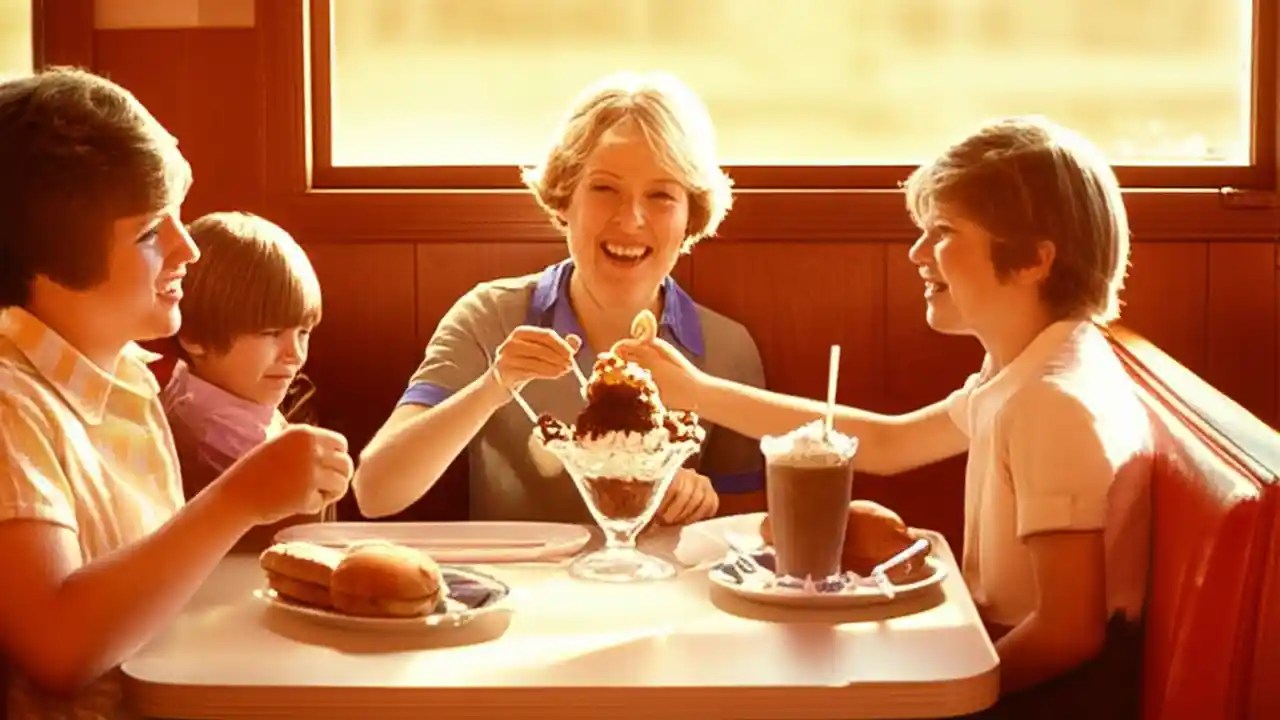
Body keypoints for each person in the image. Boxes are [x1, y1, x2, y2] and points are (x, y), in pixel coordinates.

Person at [616, 116, 1151, 716]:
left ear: (1032, 260)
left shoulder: (1052, 402)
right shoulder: (1028, 366)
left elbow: (1068, 632)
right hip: (998, 652)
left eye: (943, 232)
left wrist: (933, 698)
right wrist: (697, 391)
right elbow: (890, 444)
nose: (918, 253)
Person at [0, 68, 351, 718]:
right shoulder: (10, 404)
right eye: (148, 232)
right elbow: (58, 648)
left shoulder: (128, 375)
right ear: (51, 257)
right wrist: (240, 498)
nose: (187, 248)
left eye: (177, 219)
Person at [354, 71, 766, 524]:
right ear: (564, 197)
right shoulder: (489, 318)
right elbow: (375, 491)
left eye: (661, 195)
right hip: (516, 589)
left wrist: (706, 503)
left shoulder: (727, 349)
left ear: (692, 215)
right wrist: (493, 387)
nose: (630, 219)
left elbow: (748, 527)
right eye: (604, 188)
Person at [162, 211, 325, 549]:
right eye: (271, 333)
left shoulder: (211, 391)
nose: (294, 354)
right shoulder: (221, 436)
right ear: (194, 336)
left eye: (303, 332)